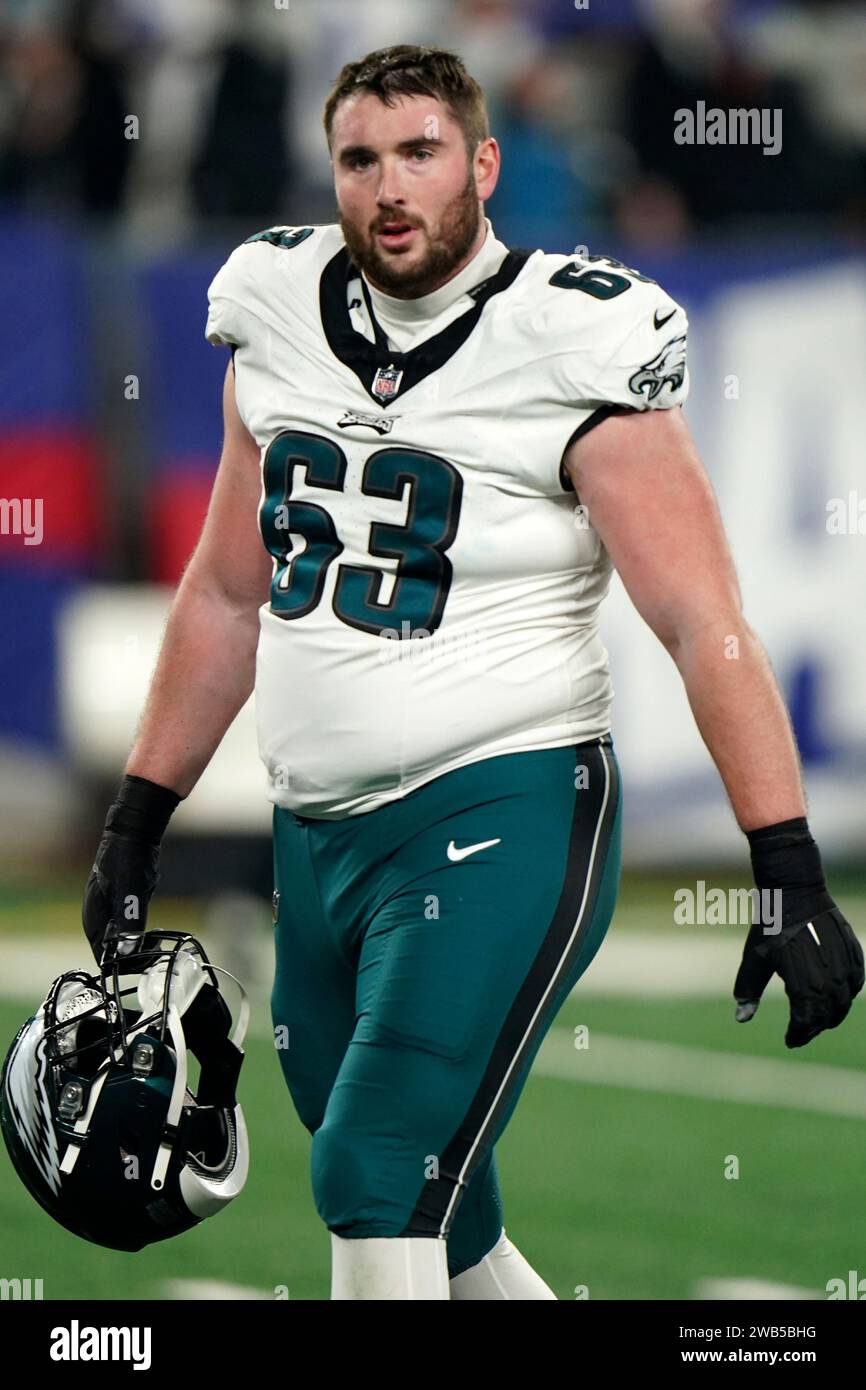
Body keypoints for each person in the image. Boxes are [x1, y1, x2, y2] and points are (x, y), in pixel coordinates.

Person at [82, 44, 863, 1300]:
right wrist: (137, 818)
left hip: (504, 805)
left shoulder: (574, 334)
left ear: (482, 164)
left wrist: (782, 861)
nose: (388, 186)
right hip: (318, 834)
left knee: (374, 1169)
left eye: (419, 152)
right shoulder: (275, 304)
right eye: (359, 157)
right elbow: (227, 594)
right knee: (445, 1226)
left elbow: (700, 620)